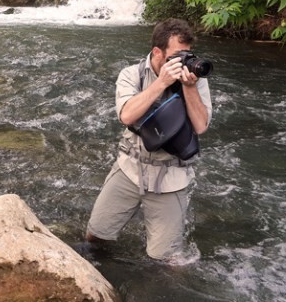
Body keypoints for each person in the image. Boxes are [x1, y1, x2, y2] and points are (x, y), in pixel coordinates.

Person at [85, 18, 212, 261]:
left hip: (171, 176)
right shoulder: (131, 74)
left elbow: (201, 126)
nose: (184, 61)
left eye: (188, 54)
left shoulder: (196, 80)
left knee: (165, 259)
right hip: (130, 168)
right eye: (177, 55)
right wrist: (162, 82)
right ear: (157, 52)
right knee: (96, 235)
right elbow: (127, 115)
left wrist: (189, 88)